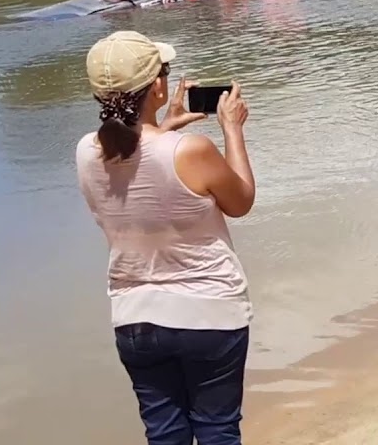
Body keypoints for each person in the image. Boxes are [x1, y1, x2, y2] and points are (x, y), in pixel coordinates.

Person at [75, 30, 257, 445]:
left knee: (164, 434)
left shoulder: (86, 151)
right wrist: (232, 129)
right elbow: (241, 201)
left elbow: (137, 165)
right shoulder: (191, 150)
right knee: (217, 429)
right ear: (157, 87)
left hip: (135, 316)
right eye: (165, 72)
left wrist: (162, 127)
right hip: (209, 312)